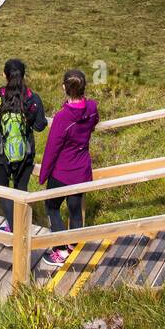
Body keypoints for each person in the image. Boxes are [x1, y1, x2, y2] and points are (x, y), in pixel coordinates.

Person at [39, 68, 99, 267]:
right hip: (82, 169)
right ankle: (74, 245)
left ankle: (60, 250)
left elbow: (51, 150)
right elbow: (95, 121)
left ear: (64, 87)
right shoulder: (92, 107)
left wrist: (43, 175)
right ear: (83, 87)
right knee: (74, 209)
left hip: (62, 172)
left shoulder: (62, 117)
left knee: (52, 207)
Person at [0, 58, 47, 231]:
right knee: (21, 189)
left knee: (3, 191)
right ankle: (21, 226)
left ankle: (14, 228)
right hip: (26, 152)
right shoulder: (33, 99)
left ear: (4, 75)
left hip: (0, 153)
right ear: (24, 75)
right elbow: (40, 126)